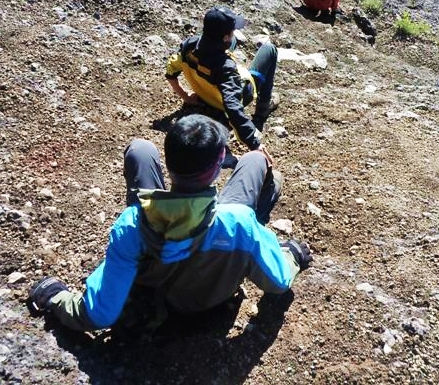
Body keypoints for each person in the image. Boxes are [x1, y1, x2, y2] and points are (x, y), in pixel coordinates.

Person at [28, 115, 312, 331]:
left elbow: (100, 314)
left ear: (169, 161)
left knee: (140, 150)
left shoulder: (132, 225)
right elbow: (278, 281)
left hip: (156, 285)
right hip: (207, 298)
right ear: (218, 166)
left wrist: (56, 297)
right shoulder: (240, 224)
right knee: (254, 160)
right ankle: (268, 181)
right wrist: (292, 254)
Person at [165, 7, 279, 152]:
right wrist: (254, 143)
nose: (233, 33)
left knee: (232, 42)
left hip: (205, 92)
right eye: (231, 32)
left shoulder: (188, 47)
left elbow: (170, 70)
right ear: (225, 36)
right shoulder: (227, 70)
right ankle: (263, 109)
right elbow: (232, 106)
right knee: (270, 49)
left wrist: (185, 96)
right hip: (235, 95)